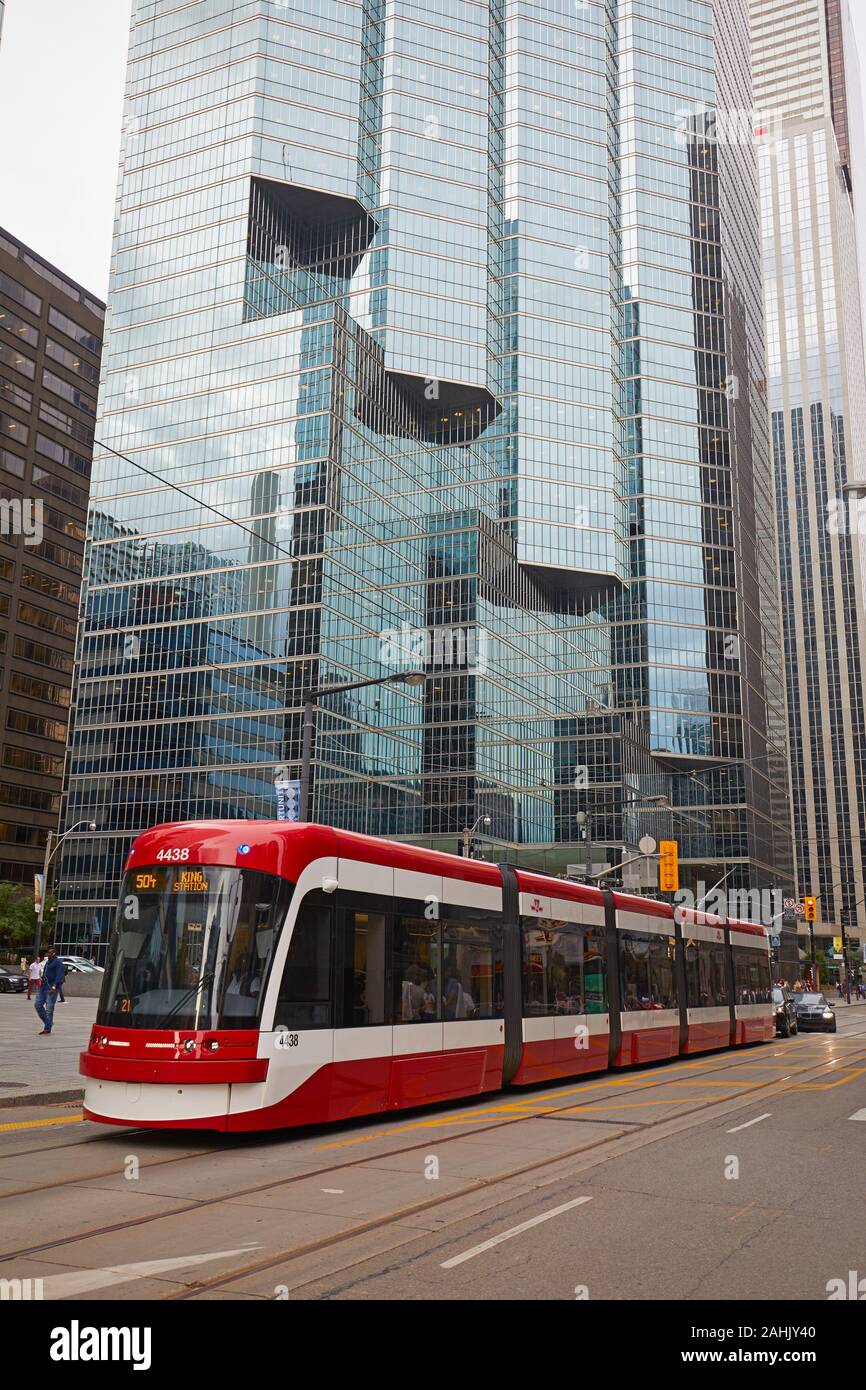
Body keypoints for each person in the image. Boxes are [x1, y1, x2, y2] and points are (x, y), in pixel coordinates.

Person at [35, 948, 64, 1035]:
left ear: (54, 953)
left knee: (49, 1009)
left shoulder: (58, 962)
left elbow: (59, 975)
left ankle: (47, 1028)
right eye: (48, 952)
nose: (48, 954)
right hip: (43, 986)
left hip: (51, 988)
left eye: (49, 952)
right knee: (38, 1005)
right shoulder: (48, 961)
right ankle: (49, 1023)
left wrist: (54, 986)